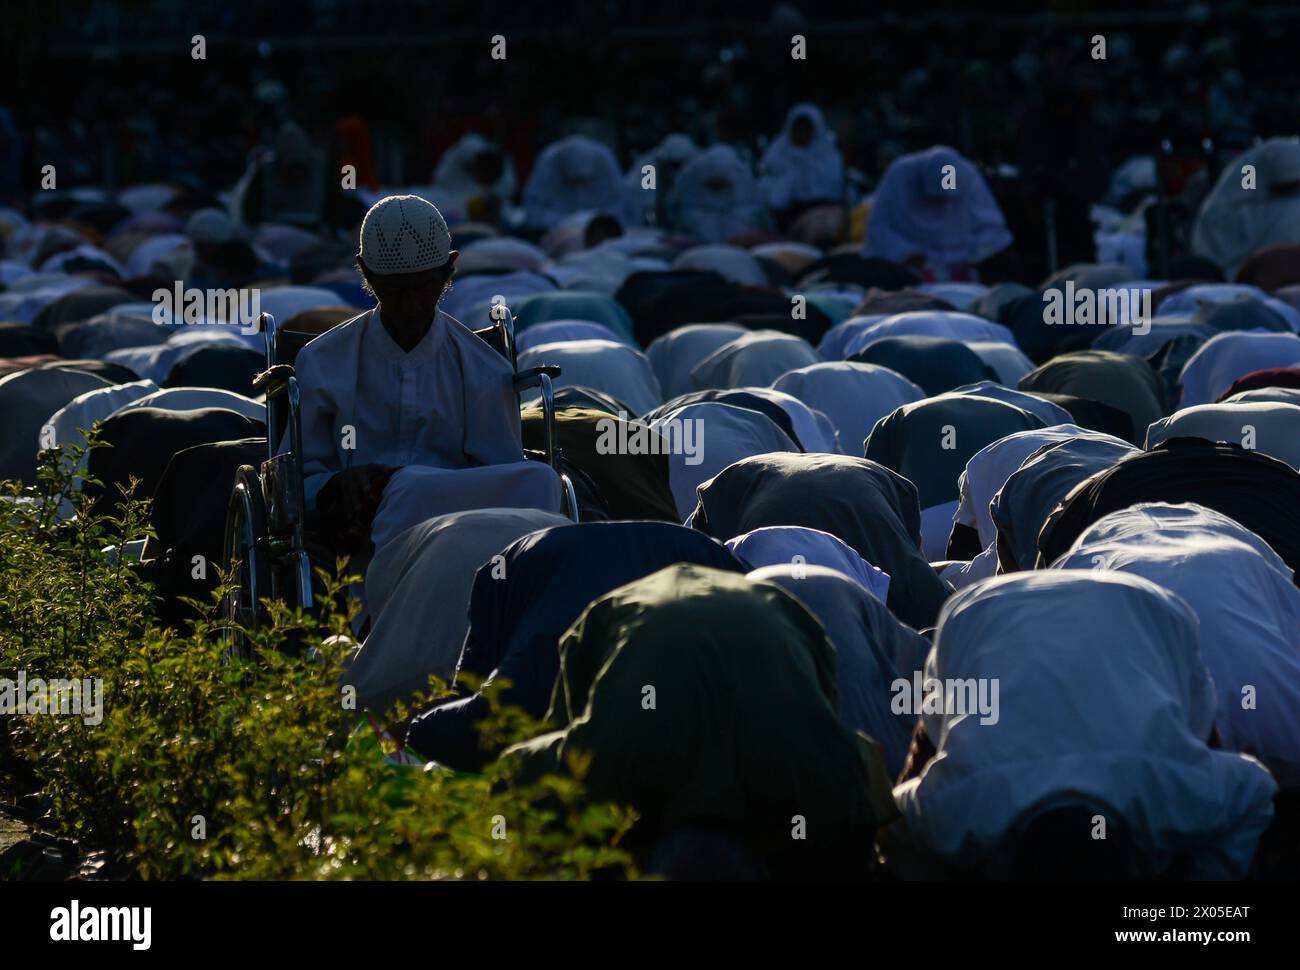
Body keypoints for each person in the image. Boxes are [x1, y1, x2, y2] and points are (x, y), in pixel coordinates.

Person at [290, 195, 541, 553]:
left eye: (423, 287)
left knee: (542, 480)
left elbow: (504, 476)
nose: (410, 306)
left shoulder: (486, 367)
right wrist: (337, 483)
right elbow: (295, 483)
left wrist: (422, 489)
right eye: (395, 290)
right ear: (366, 273)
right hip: (359, 538)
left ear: (449, 269)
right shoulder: (322, 361)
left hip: (459, 534)